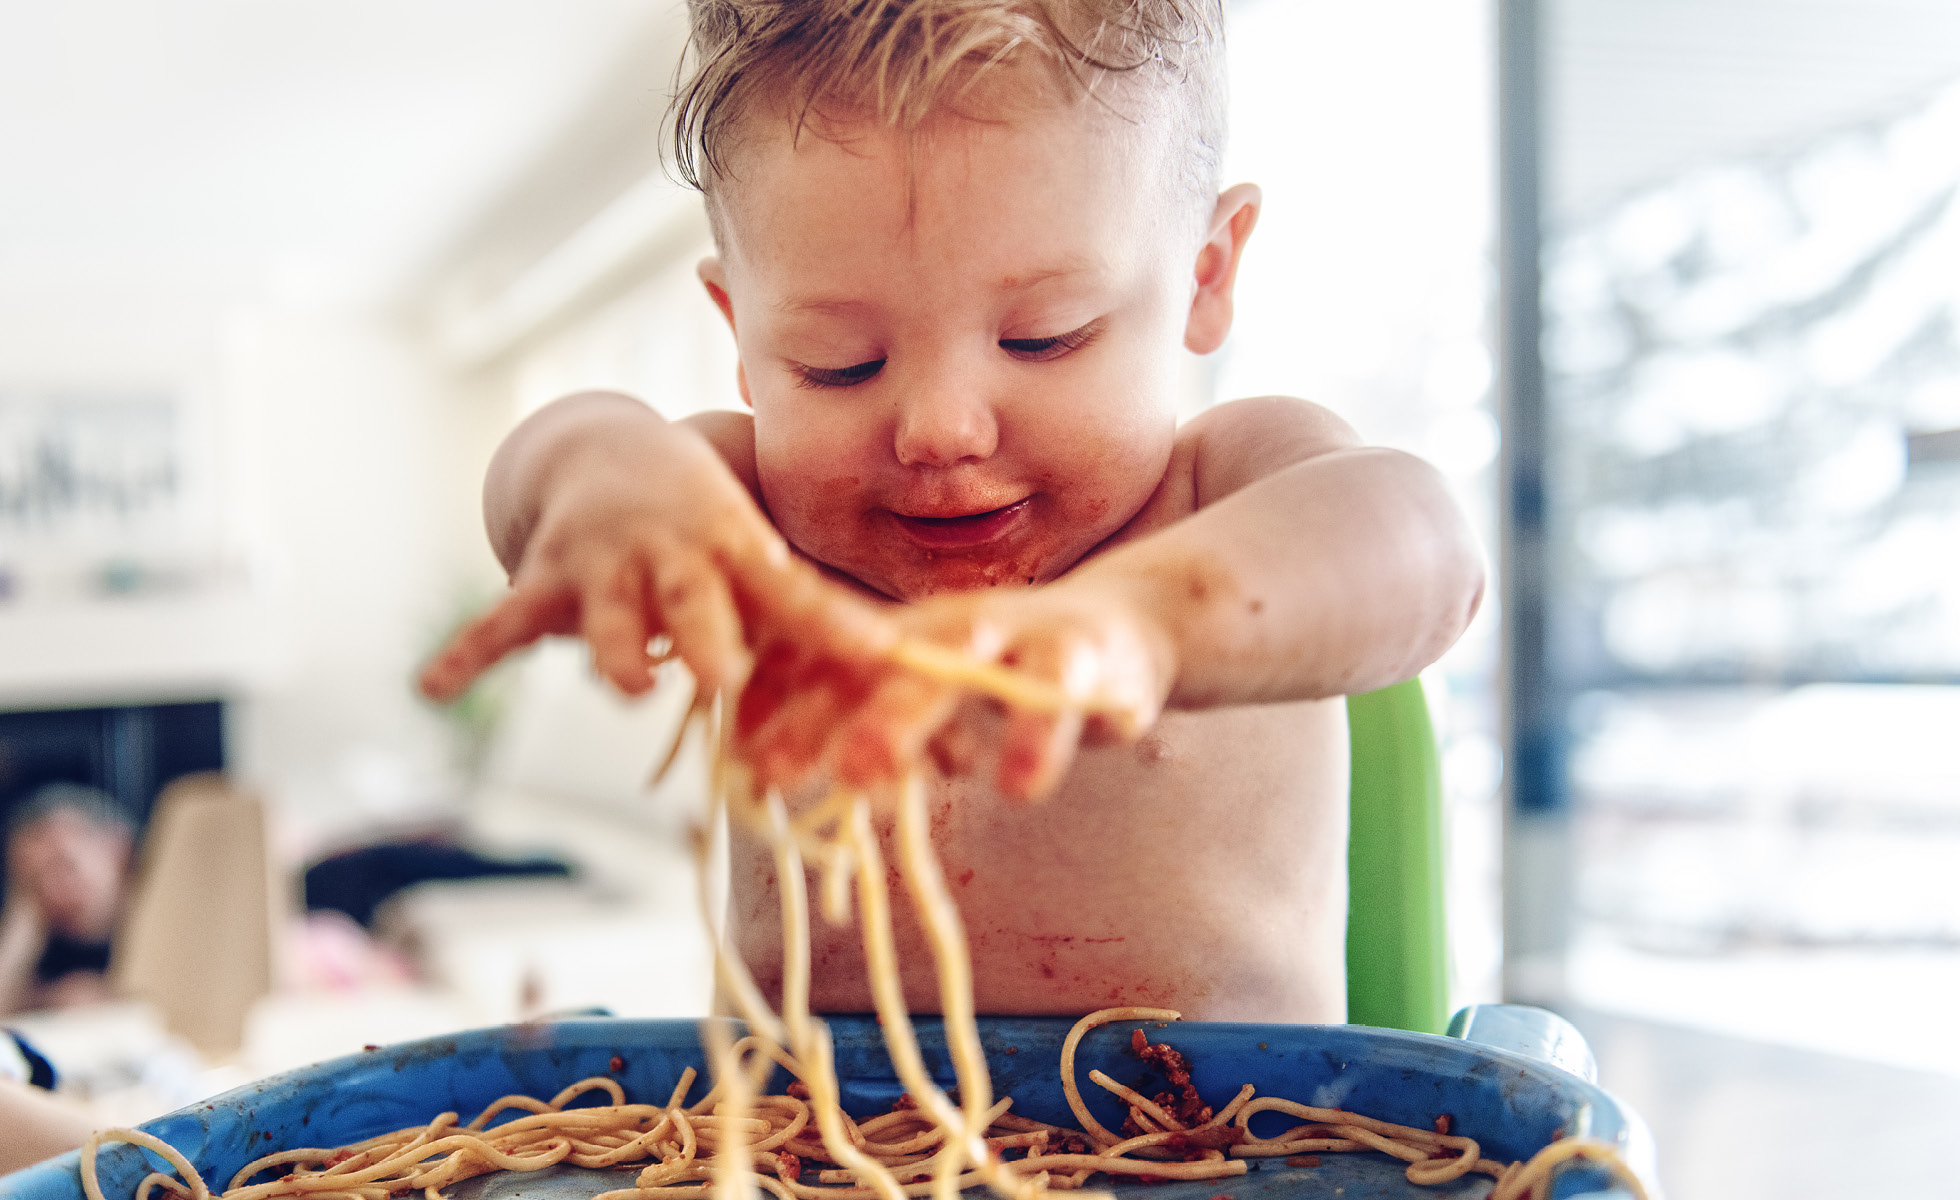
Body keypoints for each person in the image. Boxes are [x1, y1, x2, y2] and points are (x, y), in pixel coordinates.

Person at [421, 0, 1483, 1024]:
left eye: (1044, 337)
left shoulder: (1228, 490)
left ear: (1204, 276)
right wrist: (603, 473)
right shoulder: (744, 520)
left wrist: (1151, 622)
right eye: (839, 364)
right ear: (740, 334)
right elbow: (541, 487)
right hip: (809, 1154)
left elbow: (1424, 548)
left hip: (1225, 1151)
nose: (939, 429)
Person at [0, 783, 135, 1015]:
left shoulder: (170, 914)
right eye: (33, 880)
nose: (52, 891)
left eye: (64, 867)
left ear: (116, 847)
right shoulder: (46, 939)